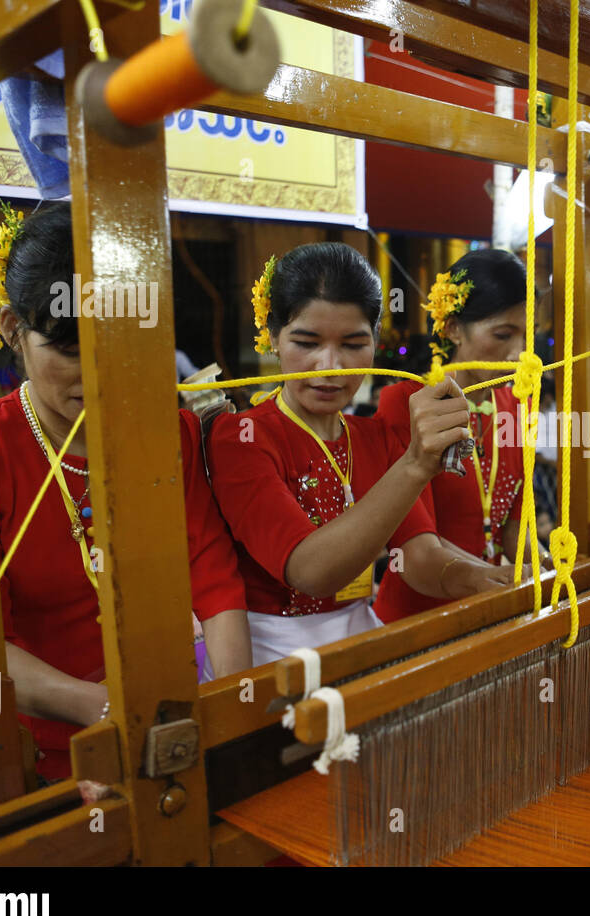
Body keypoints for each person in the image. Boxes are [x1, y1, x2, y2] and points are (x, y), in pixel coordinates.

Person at [0, 202, 252, 781]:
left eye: (121, 345)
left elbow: (210, 571)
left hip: (169, 723)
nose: (101, 374)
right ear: (11, 329)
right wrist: (108, 713)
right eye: (70, 351)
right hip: (35, 753)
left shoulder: (161, 429)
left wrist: (228, 708)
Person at [207, 242, 506, 664]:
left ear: (375, 341)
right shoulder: (241, 438)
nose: (329, 365)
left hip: (359, 639)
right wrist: (416, 465)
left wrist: (484, 578)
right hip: (270, 657)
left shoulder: (375, 437)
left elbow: (418, 556)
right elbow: (311, 573)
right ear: (272, 336)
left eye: (352, 344)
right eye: (306, 342)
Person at [373, 249, 544, 622]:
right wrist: (488, 577)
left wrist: (548, 565)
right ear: (452, 328)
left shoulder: (518, 405)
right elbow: (415, 550)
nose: (518, 355)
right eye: (502, 334)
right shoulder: (406, 405)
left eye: (528, 336)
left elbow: (514, 527)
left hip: (491, 609)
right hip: (416, 620)